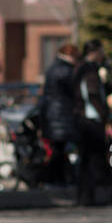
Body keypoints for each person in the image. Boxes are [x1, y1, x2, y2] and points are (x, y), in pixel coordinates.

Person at [73, 39, 112, 206]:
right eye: (101, 51)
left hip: (82, 119)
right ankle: (97, 194)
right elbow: (93, 95)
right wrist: (105, 116)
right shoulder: (90, 70)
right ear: (95, 52)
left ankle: (85, 196)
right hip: (91, 120)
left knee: (85, 159)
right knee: (96, 158)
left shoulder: (80, 68)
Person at [40, 43, 79, 186]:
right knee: (59, 150)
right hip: (61, 115)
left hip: (54, 115)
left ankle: (57, 179)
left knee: (58, 149)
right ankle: (55, 179)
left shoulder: (54, 68)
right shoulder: (64, 70)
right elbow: (73, 89)